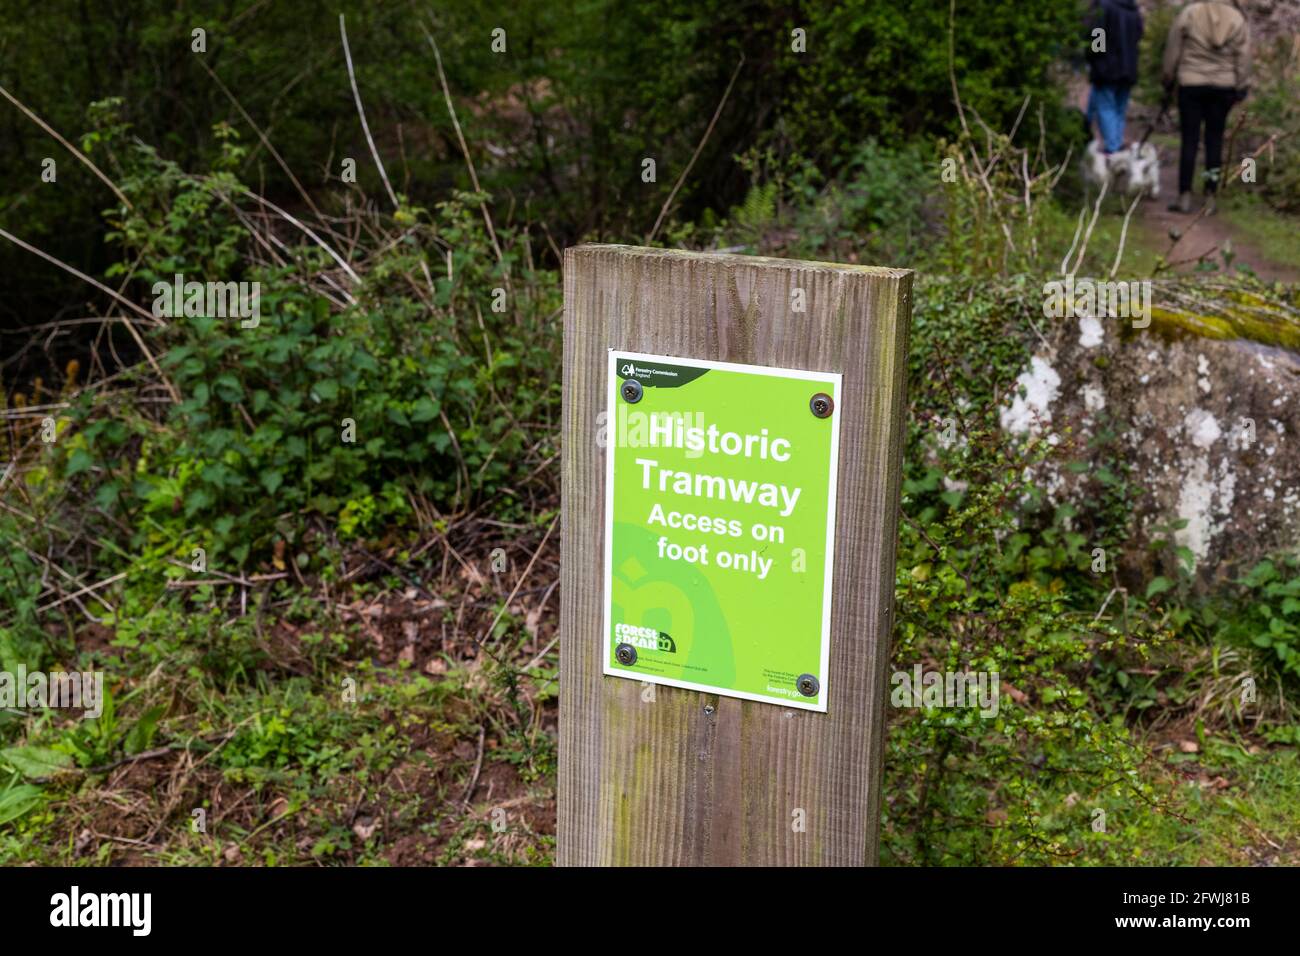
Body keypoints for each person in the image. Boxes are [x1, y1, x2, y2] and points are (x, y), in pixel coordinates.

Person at [1162, 0, 1252, 214]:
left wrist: (1168, 78)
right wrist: (1242, 85)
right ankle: (1210, 197)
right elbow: (1244, 56)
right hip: (1224, 85)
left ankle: (1184, 196)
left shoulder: (1190, 13)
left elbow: (1173, 48)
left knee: (1189, 139)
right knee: (1215, 140)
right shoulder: (1237, 18)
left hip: (1191, 82)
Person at [1086, 0, 1145, 155]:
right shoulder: (1133, 9)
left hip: (1106, 68)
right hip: (1129, 67)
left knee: (1106, 107)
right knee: (1119, 108)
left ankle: (1113, 149)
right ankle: (1117, 144)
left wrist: (1094, 58)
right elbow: (1139, 35)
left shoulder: (1103, 6)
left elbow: (1097, 35)